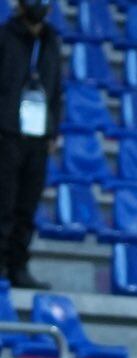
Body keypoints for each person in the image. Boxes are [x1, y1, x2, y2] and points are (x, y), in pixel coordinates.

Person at [0, 0, 59, 289]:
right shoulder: (4, 36)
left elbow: (57, 88)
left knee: (27, 206)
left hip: (37, 136)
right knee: (4, 204)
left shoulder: (51, 41)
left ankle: (17, 267)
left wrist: (53, 132)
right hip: (6, 133)